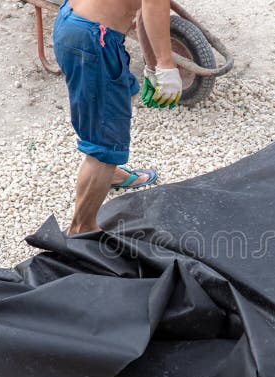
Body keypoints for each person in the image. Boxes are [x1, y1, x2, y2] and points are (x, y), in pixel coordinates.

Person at [53, 0, 183, 235]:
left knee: (122, 94)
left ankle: (109, 175)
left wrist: (153, 66)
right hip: (94, 39)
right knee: (105, 145)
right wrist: (166, 65)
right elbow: (154, 4)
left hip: (74, 22)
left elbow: (144, 9)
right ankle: (81, 230)